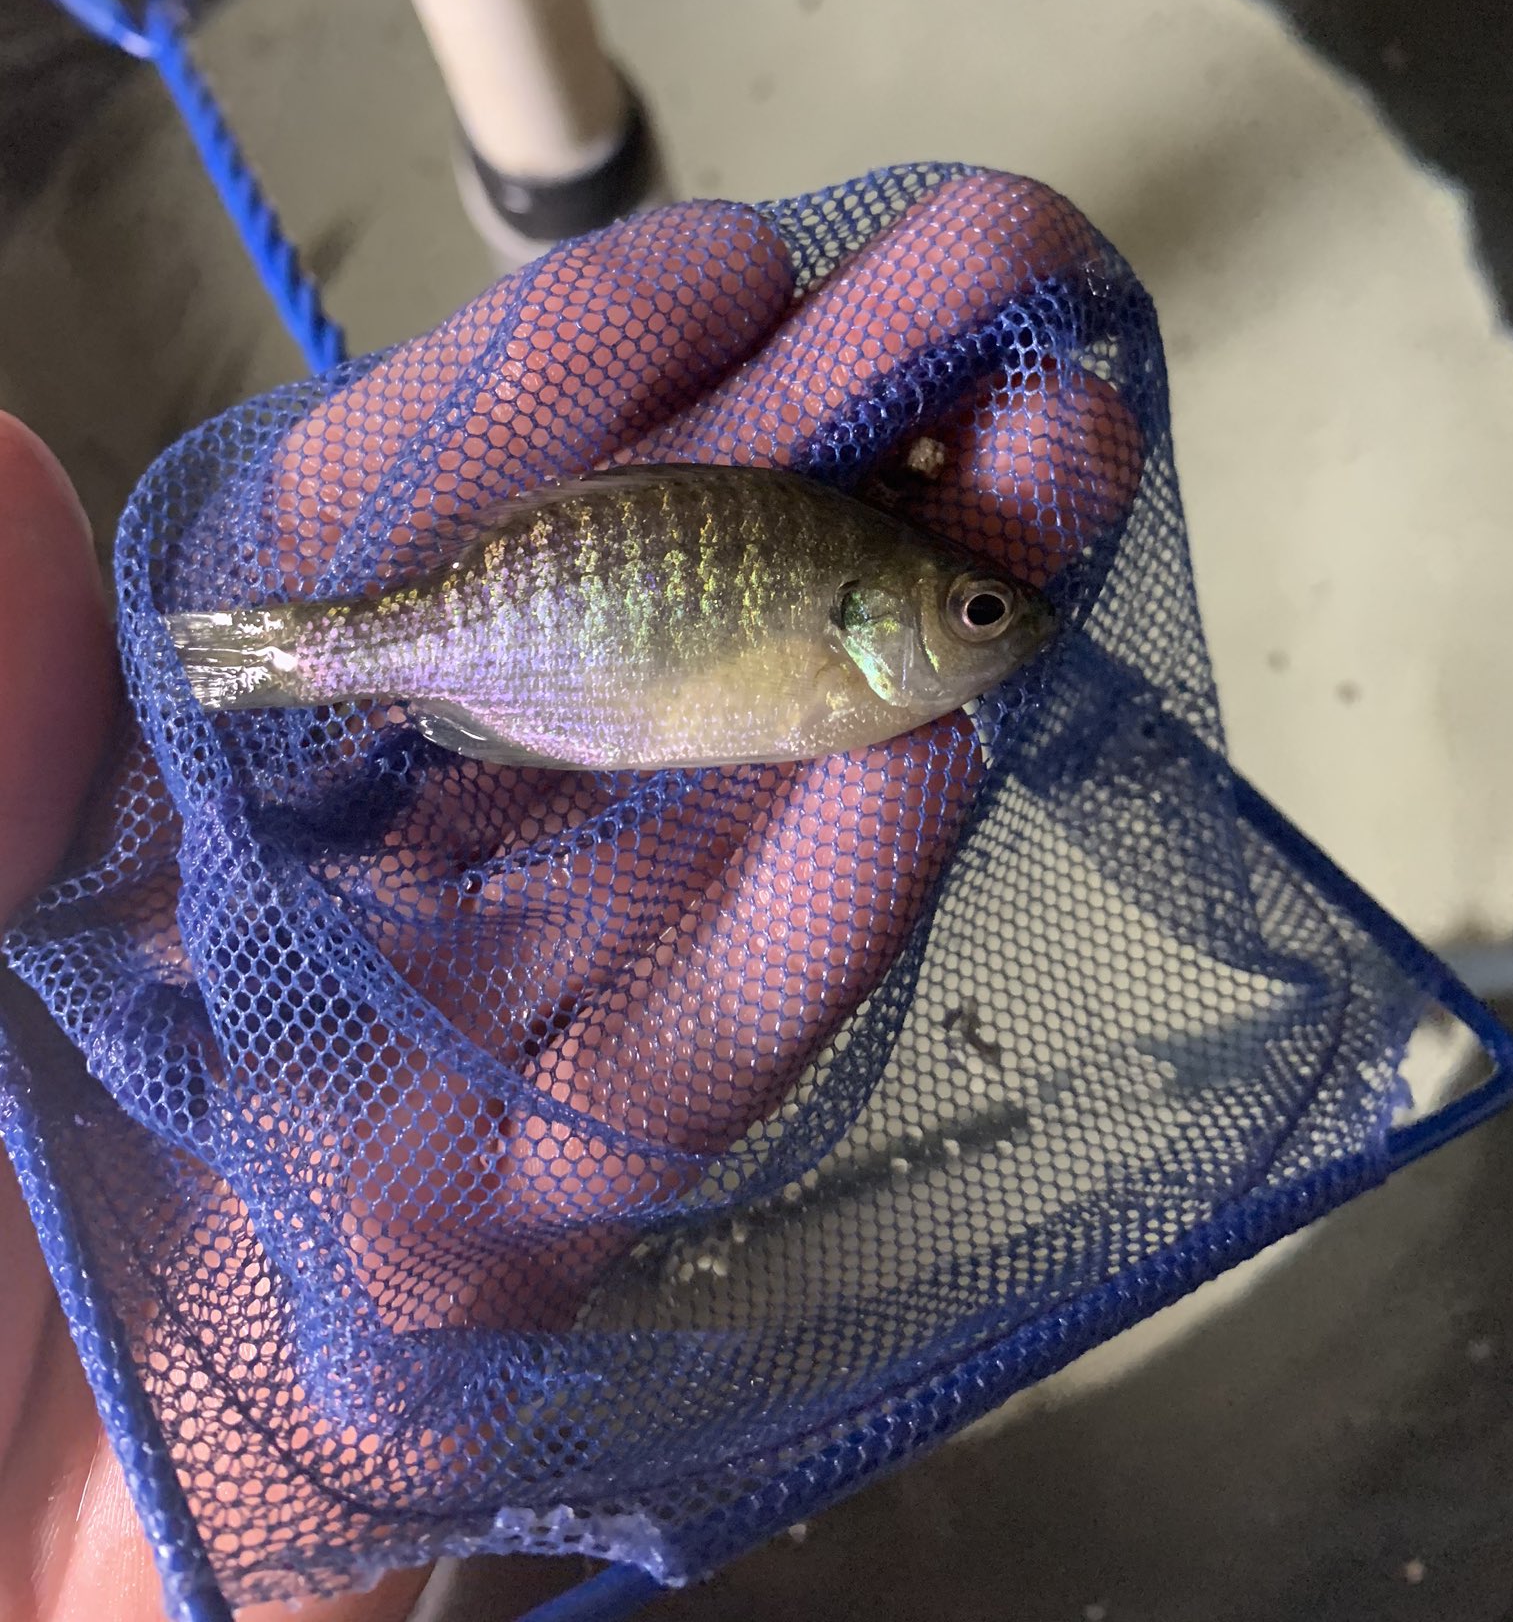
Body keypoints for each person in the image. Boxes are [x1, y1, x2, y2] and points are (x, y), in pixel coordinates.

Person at [0, 178, 1140, 1621]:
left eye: (981, 614)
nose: (995, 629)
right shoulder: (851, 651)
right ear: (879, 623)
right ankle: (288, 656)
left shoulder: (858, 645)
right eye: (977, 611)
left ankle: (288, 656)